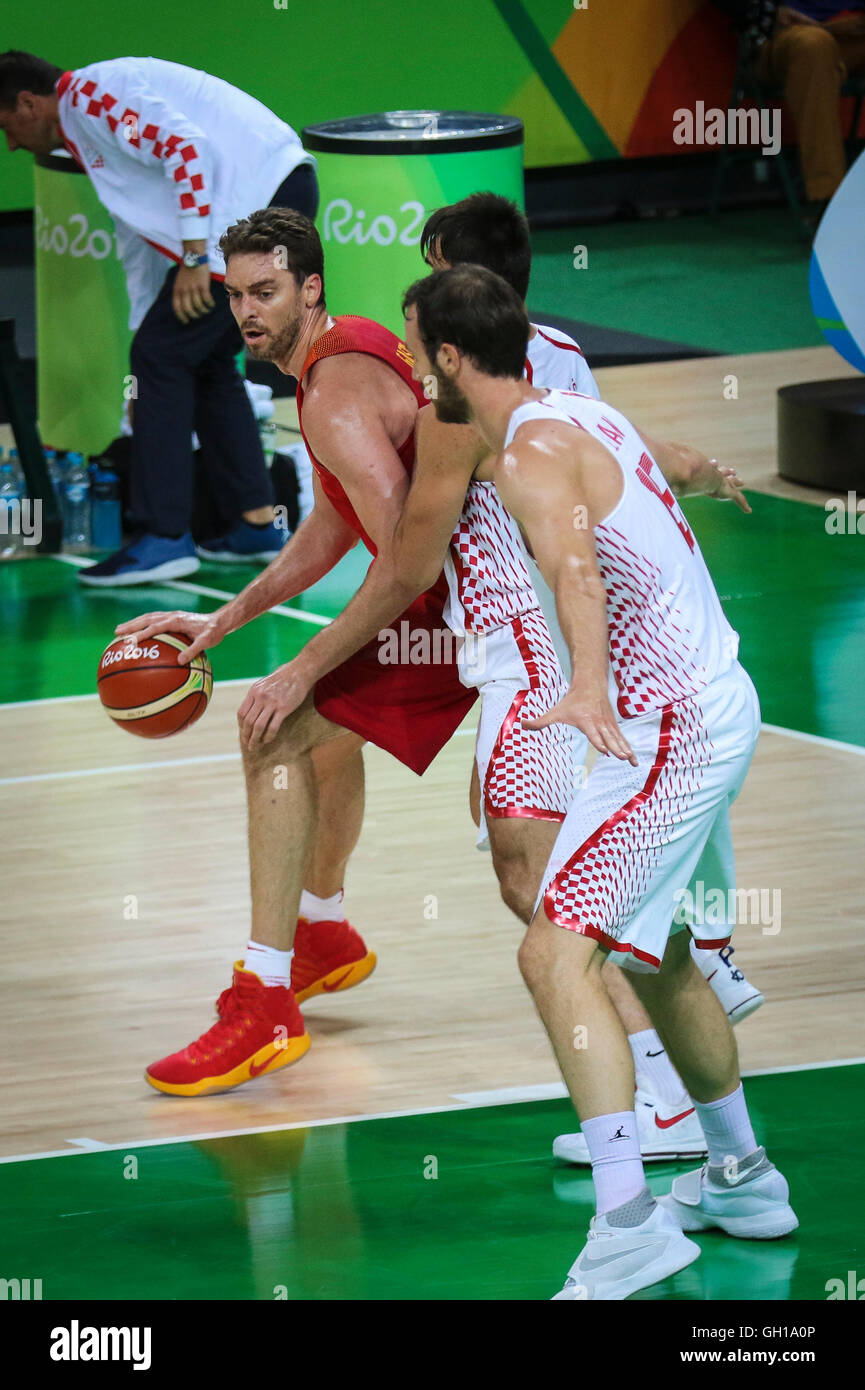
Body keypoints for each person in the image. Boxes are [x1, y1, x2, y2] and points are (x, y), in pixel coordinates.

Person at [394, 264, 797, 1299]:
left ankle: (627, 1222)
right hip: (719, 700)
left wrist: (581, 687)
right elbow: (661, 460)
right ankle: (742, 1176)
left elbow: (572, 568)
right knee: (656, 949)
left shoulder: (525, 456)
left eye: (412, 344)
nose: (406, 360)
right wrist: (706, 468)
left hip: (667, 729)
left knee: (551, 956)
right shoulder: (574, 410)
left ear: (448, 357)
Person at [116, 209, 479, 1093]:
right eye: (236, 293)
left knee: (275, 729)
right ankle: (320, 930)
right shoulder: (339, 355)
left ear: (309, 288)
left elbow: (400, 559)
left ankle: (265, 1001)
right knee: (326, 733)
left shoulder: (332, 392)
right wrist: (222, 623)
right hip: (454, 591)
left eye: (266, 292)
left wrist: (302, 666)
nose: (245, 310)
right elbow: (334, 524)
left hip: (465, 605)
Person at [0, 50, 315, 583]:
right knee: (204, 358)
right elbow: (139, 241)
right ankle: (255, 523)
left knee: (164, 353)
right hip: (252, 208)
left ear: (28, 103)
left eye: (6, 126)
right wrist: (140, 344)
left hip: (258, 206)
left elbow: (184, 148)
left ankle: (164, 538)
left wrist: (194, 257)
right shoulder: (87, 133)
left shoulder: (93, 98)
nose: (10, 143)